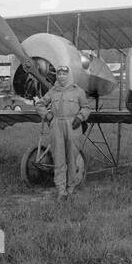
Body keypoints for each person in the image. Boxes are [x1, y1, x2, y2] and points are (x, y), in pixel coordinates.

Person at [35, 66, 92, 199]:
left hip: (73, 125)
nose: (61, 76)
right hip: (56, 125)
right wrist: (47, 116)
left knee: (72, 157)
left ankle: (71, 187)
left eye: (64, 74)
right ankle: (61, 190)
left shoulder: (78, 91)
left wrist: (80, 117)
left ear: (69, 75)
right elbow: (39, 104)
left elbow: (86, 108)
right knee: (58, 157)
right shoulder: (53, 91)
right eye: (59, 74)